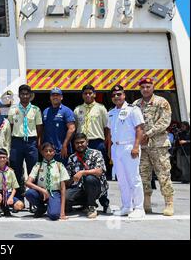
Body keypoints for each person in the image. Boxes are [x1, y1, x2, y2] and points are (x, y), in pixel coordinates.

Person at [133, 78, 174, 216]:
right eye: (143, 86)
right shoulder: (136, 104)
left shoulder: (162, 102)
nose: (145, 89)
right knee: (143, 175)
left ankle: (169, 203)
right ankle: (146, 203)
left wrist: (148, 133)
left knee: (163, 174)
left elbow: (165, 121)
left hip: (158, 145)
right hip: (143, 147)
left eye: (148, 86)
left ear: (153, 87)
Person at [107, 85, 145, 218]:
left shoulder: (133, 110)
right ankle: (127, 206)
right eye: (114, 95)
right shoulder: (111, 113)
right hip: (116, 148)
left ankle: (139, 207)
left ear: (124, 95)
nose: (116, 97)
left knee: (133, 178)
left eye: (119, 94)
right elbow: (110, 133)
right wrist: (110, 151)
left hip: (129, 147)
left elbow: (140, 129)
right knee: (121, 179)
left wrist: (136, 147)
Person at [73, 84, 111, 213]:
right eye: (85, 93)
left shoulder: (101, 109)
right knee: (83, 172)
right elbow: (76, 128)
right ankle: (87, 202)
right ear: (82, 95)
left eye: (90, 93)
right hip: (81, 144)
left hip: (97, 142)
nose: (88, 95)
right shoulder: (78, 109)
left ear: (94, 94)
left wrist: (106, 144)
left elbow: (107, 128)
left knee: (100, 173)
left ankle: (105, 202)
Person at [8, 85, 43, 199]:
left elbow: (39, 128)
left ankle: (34, 199)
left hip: (31, 142)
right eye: (22, 94)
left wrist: (38, 143)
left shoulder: (36, 109)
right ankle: (18, 198)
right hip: (17, 142)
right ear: (19, 95)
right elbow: (10, 128)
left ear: (30, 95)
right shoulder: (13, 110)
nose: (25, 96)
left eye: (27, 94)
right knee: (16, 170)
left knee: (33, 170)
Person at [65, 134, 109, 219]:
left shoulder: (96, 153)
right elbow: (68, 178)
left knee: (89, 179)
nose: (80, 145)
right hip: (79, 188)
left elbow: (99, 171)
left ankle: (92, 207)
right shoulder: (72, 158)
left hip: (96, 186)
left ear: (87, 142)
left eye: (82, 142)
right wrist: (71, 179)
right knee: (65, 198)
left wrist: (82, 172)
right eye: (77, 143)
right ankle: (85, 204)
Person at [26, 143, 69, 220]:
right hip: (41, 192)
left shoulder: (59, 166)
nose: (48, 153)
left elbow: (62, 189)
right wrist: (42, 190)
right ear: (42, 153)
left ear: (54, 152)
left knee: (54, 215)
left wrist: (62, 212)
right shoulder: (38, 165)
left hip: (54, 192)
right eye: (46, 151)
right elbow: (28, 182)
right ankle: (41, 208)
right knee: (29, 193)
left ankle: (52, 206)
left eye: (50, 151)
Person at [43, 87, 76, 166]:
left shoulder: (66, 111)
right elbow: (42, 129)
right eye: (53, 95)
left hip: (62, 150)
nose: (55, 97)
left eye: (57, 95)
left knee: (63, 175)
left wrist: (64, 145)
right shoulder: (46, 111)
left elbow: (72, 128)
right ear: (50, 97)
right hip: (48, 151)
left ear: (61, 97)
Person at [0, 149, 24, 217]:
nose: (2, 159)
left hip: (7, 194)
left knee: (19, 205)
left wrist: (11, 197)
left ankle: (6, 208)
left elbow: (15, 187)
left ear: (7, 159)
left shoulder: (11, 171)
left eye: (4, 157)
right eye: (0, 157)